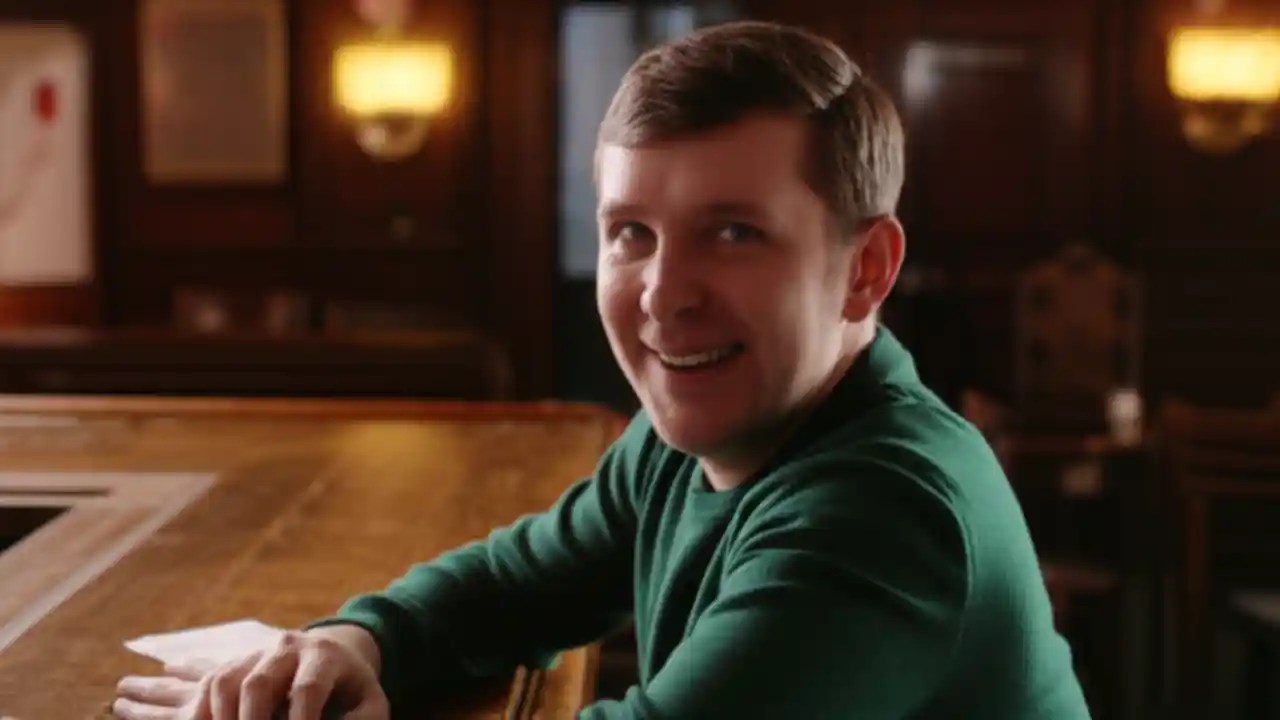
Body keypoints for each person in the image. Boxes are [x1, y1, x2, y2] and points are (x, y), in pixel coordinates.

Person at [113, 20, 1090, 720]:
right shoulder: (702, 426)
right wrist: (348, 646)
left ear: (864, 269)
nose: (664, 296)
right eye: (631, 233)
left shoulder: (883, 511)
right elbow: (513, 582)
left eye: (733, 233)